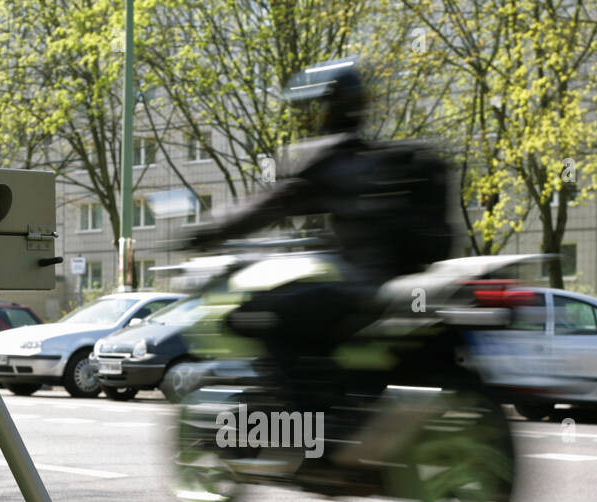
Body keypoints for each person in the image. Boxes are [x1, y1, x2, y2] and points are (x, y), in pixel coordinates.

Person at [184, 59, 453, 411]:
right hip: (401, 285)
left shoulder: (330, 160)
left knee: (259, 313)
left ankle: (307, 428)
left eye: (311, 109)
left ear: (328, 108)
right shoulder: (378, 162)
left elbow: (267, 206)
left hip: (362, 290)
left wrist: (205, 231)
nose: (306, 119)